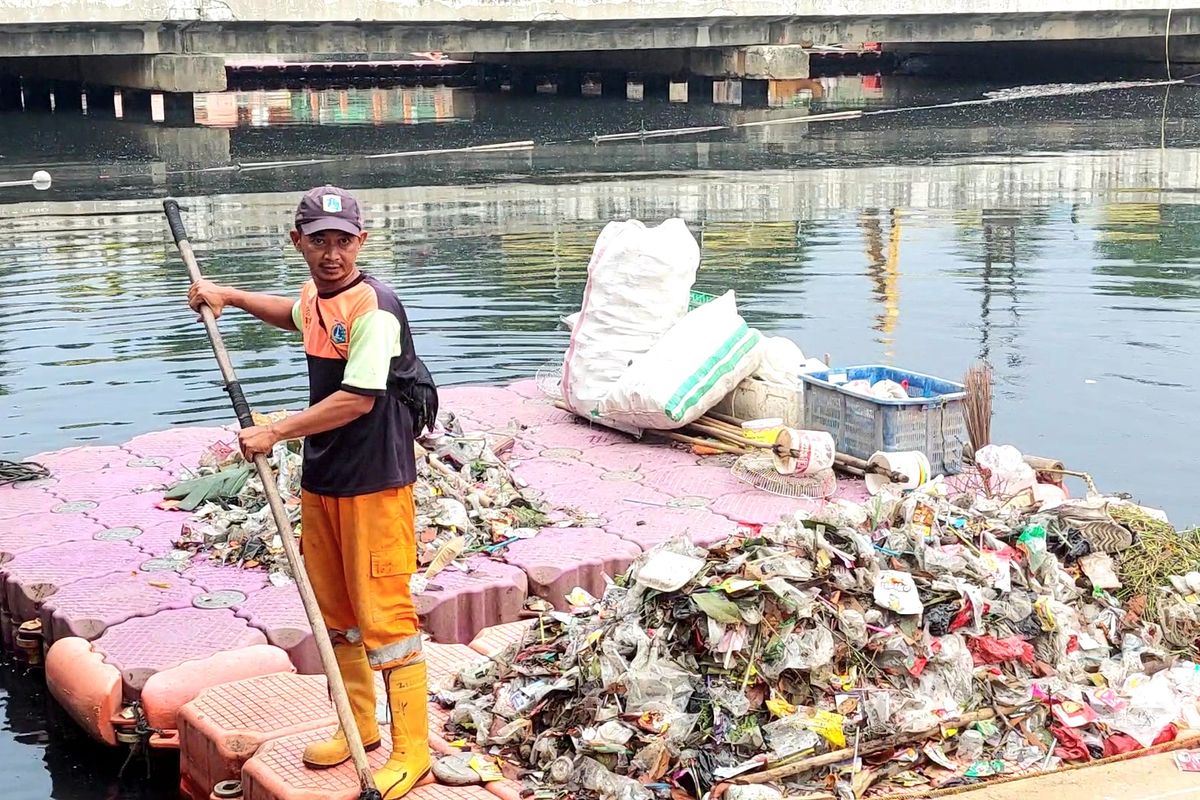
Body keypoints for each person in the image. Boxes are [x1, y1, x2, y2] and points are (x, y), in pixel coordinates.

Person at [188, 185, 431, 798]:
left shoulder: (374, 307)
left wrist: (275, 431)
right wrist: (231, 297)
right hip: (324, 478)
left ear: (361, 242)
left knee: (385, 618)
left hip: (374, 481)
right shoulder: (318, 297)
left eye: (342, 241)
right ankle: (357, 728)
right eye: (318, 240)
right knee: (336, 614)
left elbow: (357, 399)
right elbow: (293, 315)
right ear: (297, 243)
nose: (331, 254)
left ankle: (412, 749)